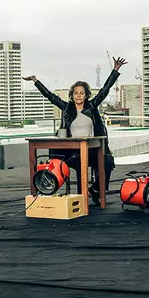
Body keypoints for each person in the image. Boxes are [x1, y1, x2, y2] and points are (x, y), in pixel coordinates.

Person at [23, 56, 127, 203]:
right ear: (72, 95)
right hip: (72, 152)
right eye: (76, 93)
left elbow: (105, 90)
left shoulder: (92, 106)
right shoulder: (66, 108)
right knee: (79, 161)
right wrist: (35, 81)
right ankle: (80, 198)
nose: (79, 95)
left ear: (86, 95)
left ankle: (96, 189)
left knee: (108, 161)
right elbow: (50, 96)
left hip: (93, 150)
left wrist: (115, 70)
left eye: (82, 93)